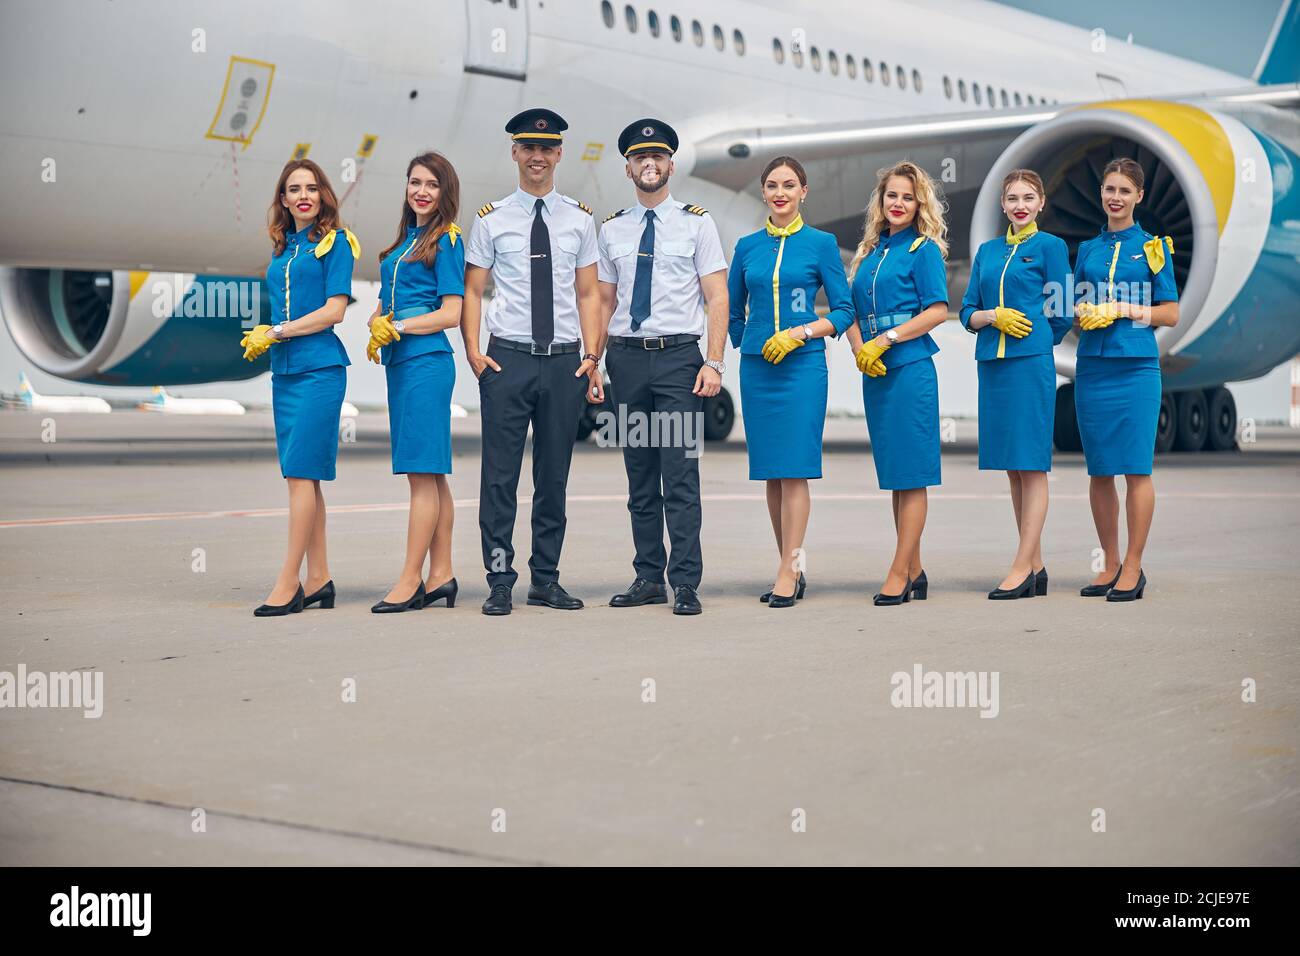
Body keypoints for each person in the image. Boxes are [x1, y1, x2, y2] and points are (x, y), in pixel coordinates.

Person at [461, 108, 604, 616]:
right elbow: (473, 292)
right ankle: (500, 579)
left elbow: (589, 294)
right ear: (515, 153)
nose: (537, 156)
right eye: (528, 147)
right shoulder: (490, 219)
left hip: (565, 363)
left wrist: (593, 357)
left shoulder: (580, 219)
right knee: (499, 478)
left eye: (547, 148)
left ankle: (546, 580)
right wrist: (475, 353)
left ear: (559, 154)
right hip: (508, 361)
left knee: (554, 478)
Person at [597, 119, 729, 616]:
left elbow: (717, 298)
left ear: (671, 164)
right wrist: (594, 361)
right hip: (626, 360)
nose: (648, 164)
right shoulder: (612, 228)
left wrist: (713, 362)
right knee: (639, 475)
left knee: (679, 475)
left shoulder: (698, 224)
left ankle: (686, 582)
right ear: (628, 167)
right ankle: (647, 577)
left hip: (678, 360)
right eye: (638, 158)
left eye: (657, 157)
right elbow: (604, 302)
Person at [727, 155, 854, 608]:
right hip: (759, 368)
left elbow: (844, 311)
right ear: (763, 192)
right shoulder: (746, 246)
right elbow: (734, 310)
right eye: (773, 185)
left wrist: (801, 333)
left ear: (803, 192)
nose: (780, 192)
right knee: (772, 473)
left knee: (796, 468)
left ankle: (789, 567)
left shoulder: (821, 244)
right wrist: (752, 344)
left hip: (802, 368)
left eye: (789, 185)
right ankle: (789, 562)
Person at [241, 159, 359, 616]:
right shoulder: (282, 249)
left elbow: (334, 311)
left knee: (300, 477)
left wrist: (277, 331)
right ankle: (319, 577)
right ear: (284, 200)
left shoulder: (336, 244)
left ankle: (288, 582)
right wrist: (272, 338)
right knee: (302, 477)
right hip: (285, 373)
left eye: (312, 187)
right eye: (294, 189)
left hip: (320, 370)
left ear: (324, 194)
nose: (303, 195)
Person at [959, 169, 1072, 599]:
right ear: (1002, 204)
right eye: (1012, 198)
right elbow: (968, 308)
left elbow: (1061, 310)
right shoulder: (988, 251)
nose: (1020, 205)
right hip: (992, 363)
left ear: (1041, 203)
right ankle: (1036, 564)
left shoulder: (1051, 247)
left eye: (1028, 197)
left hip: (1028, 364)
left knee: (1032, 464)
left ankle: (1022, 565)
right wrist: (991, 317)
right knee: (1011, 465)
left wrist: (1037, 340)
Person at [1072, 157, 1179, 602]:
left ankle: (1134, 565)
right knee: (1100, 470)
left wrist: (1125, 310)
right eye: (1108, 189)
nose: (1115, 197)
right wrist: (1083, 313)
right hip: (1093, 366)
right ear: (1102, 194)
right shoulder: (1087, 251)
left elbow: (1170, 312)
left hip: (1136, 368)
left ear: (1139, 197)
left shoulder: (1154, 248)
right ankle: (1110, 561)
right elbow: (1076, 303)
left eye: (1123, 190)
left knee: (1136, 468)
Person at [364, 151, 465, 613]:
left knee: (421, 476)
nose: (421, 191)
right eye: (414, 182)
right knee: (430, 474)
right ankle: (441, 573)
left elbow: (451, 312)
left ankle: (410, 580)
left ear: (445, 193)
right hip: (402, 362)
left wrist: (400, 327)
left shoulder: (446, 240)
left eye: (431, 184)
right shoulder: (407, 240)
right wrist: (378, 319)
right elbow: (391, 302)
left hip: (426, 362)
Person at [845, 161, 949, 606]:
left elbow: (937, 311)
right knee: (896, 478)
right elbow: (847, 309)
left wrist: (886, 339)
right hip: (878, 372)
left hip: (909, 368)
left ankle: (898, 572)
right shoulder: (869, 253)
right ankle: (916, 569)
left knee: (913, 474)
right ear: (881, 202)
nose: (899, 204)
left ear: (919, 202)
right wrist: (858, 350)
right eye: (892, 196)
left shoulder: (923, 250)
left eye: (908, 197)